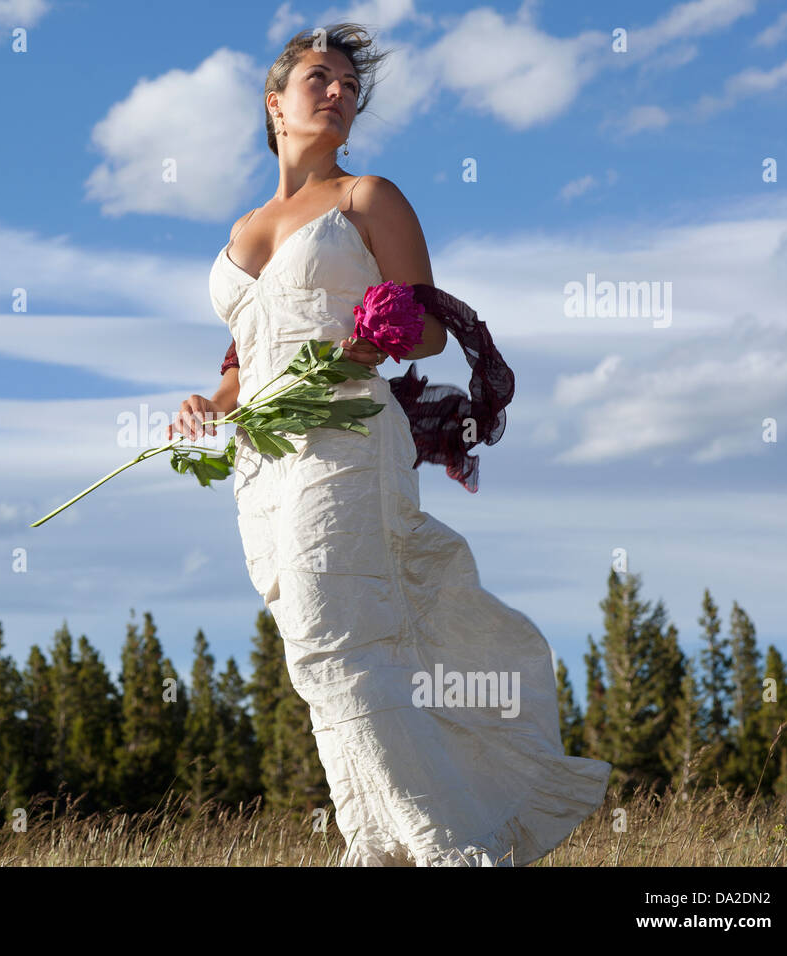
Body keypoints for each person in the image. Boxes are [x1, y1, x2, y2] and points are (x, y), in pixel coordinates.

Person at [167, 23, 612, 866]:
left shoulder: (366, 198)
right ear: (275, 104)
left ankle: (448, 849)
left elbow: (423, 329)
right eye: (318, 78)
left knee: (342, 638)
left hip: (345, 440)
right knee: (313, 653)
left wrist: (371, 342)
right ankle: (376, 848)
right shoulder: (242, 227)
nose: (338, 93)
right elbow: (246, 352)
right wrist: (209, 401)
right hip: (261, 463)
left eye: (348, 86)